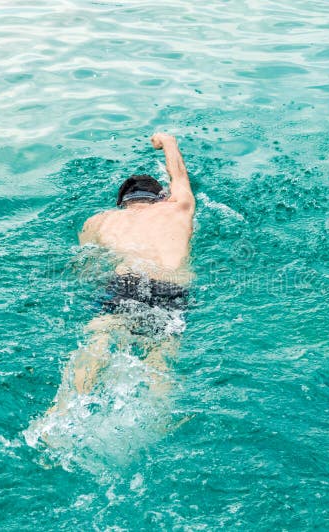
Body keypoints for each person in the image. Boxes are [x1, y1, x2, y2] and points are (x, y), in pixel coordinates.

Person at [49, 133, 195, 413]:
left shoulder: (100, 221)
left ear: (123, 201)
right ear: (161, 197)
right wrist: (167, 141)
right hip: (172, 286)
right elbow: (179, 176)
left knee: (100, 339)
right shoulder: (179, 209)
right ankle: (157, 415)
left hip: (126, 282)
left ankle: (63, 410)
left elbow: (87, 267)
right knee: (161, 354)